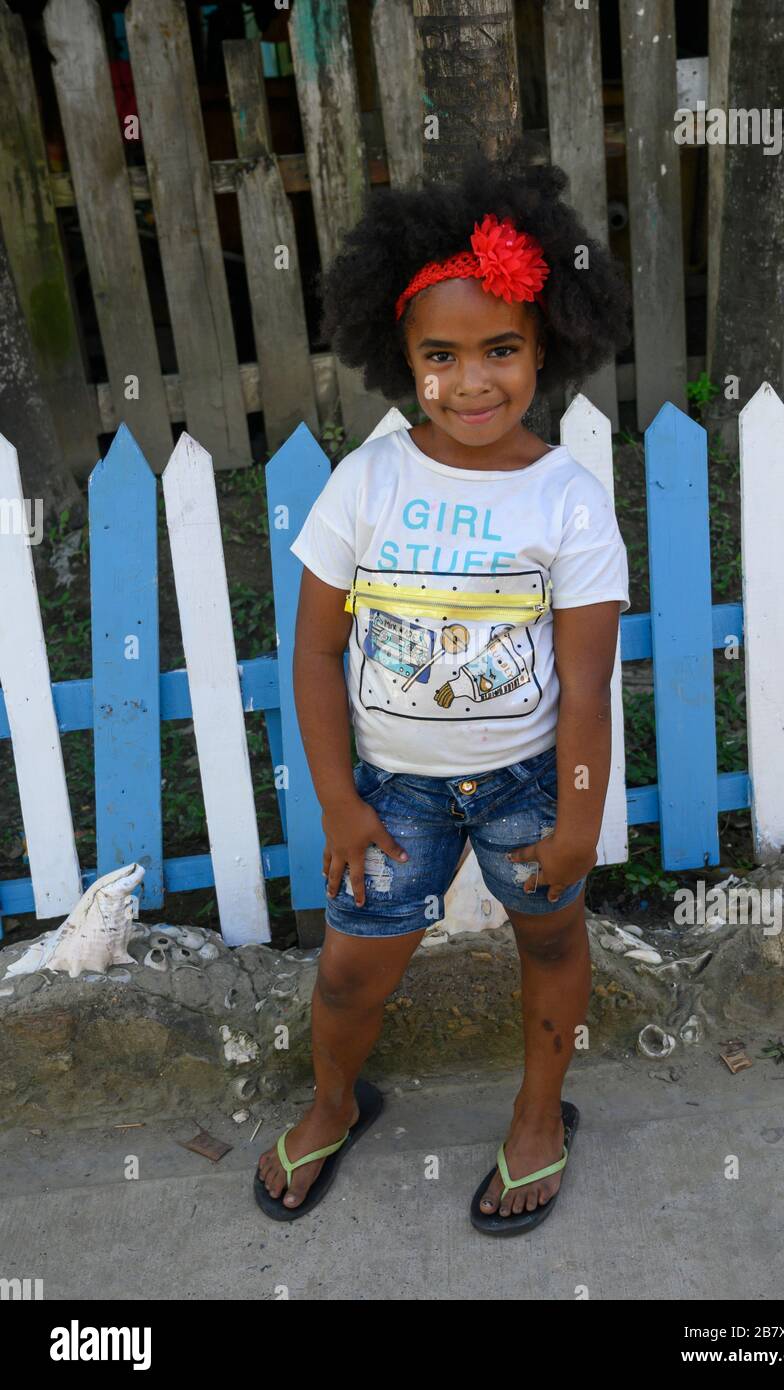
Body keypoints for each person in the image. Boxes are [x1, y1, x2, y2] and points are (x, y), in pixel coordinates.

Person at [255, 140, 631, 1235]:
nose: (471, 381)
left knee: (552, 943)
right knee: (345, 977)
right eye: (441, 355)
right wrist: (337, 798)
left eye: (501, 349)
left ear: (544, 346)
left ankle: (534, 1116)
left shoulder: (565, 503)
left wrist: (573, 821)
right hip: (393, 794)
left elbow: (584, 684)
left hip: (524, 786)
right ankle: (333, 1102)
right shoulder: (366, 482)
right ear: (399, 356)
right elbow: (316, 653)